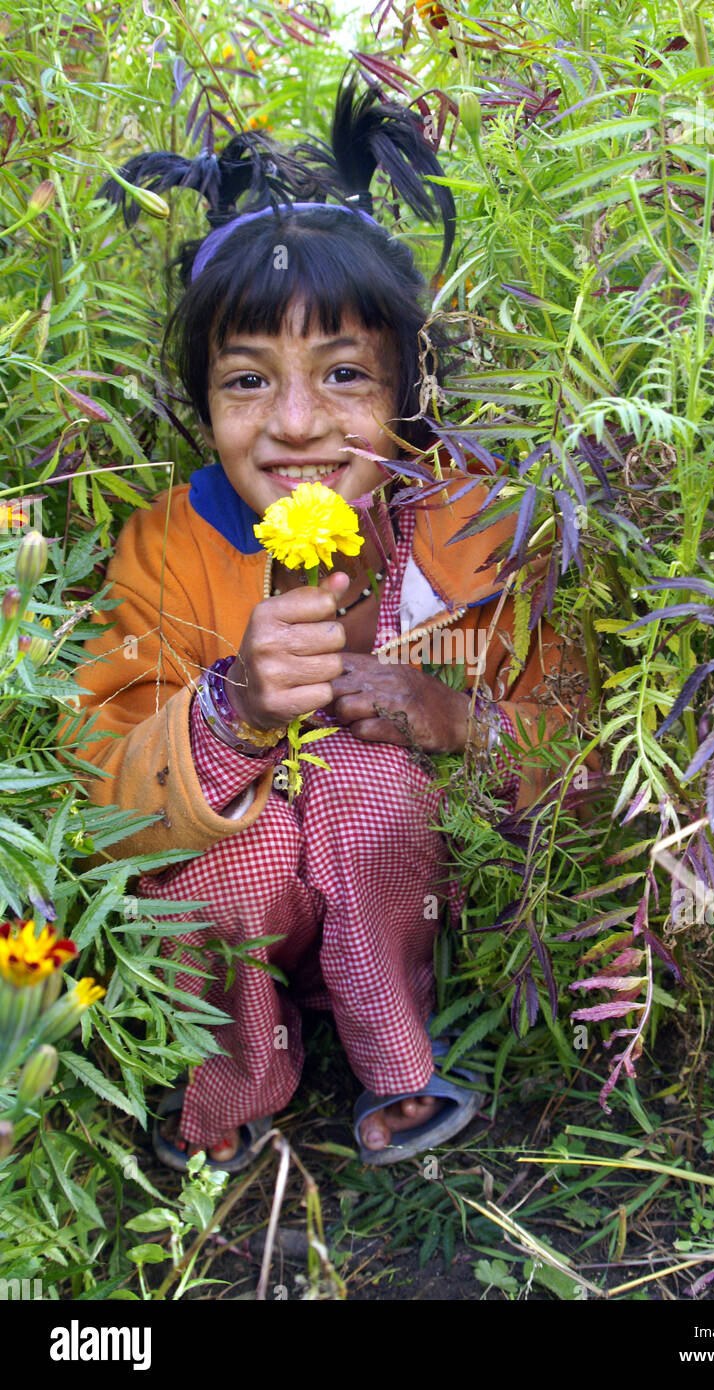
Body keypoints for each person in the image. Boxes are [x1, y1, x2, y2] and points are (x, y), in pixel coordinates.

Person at [70, 76, 591, 1171]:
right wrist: (229, 712)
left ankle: (400, 1051)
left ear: (409, 383)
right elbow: (99, 796)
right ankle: (234, 1075)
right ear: (202, 406)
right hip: (236, 911)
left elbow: (581, 754)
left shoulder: (474, 528)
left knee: (360, 780)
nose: (298, 423)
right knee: (242, 851)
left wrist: (461, 720)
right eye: (249, 381)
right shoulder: (167, 547)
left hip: (412, 893)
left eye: (345, 374)